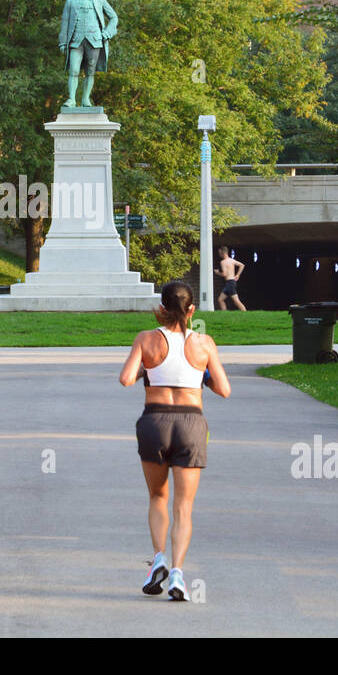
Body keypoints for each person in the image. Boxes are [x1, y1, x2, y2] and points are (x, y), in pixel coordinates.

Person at [118, 280, 231, 600]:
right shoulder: (205, 343)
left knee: (157, 497)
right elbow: (224, 389)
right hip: (191, 425)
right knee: (184, 506)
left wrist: (146, 371)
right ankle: (179, 575)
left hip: (154, 421)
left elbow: (126, 379)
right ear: (191, 309)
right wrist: (202, 375)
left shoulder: (146, 339)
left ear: (162, 309)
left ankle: (158, 560)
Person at [215, 246, 246, 311]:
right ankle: (224, 314)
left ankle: (245, 313)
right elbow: (242, 265)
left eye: (219, 253)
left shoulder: (223, 262)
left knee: (236, 301)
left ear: (222, 252)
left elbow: (224, 274)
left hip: (230, 283)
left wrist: (217, 273)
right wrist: (237, 275)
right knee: (220, 300)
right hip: (231, 282)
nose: (219, 255)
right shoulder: (232, 260)